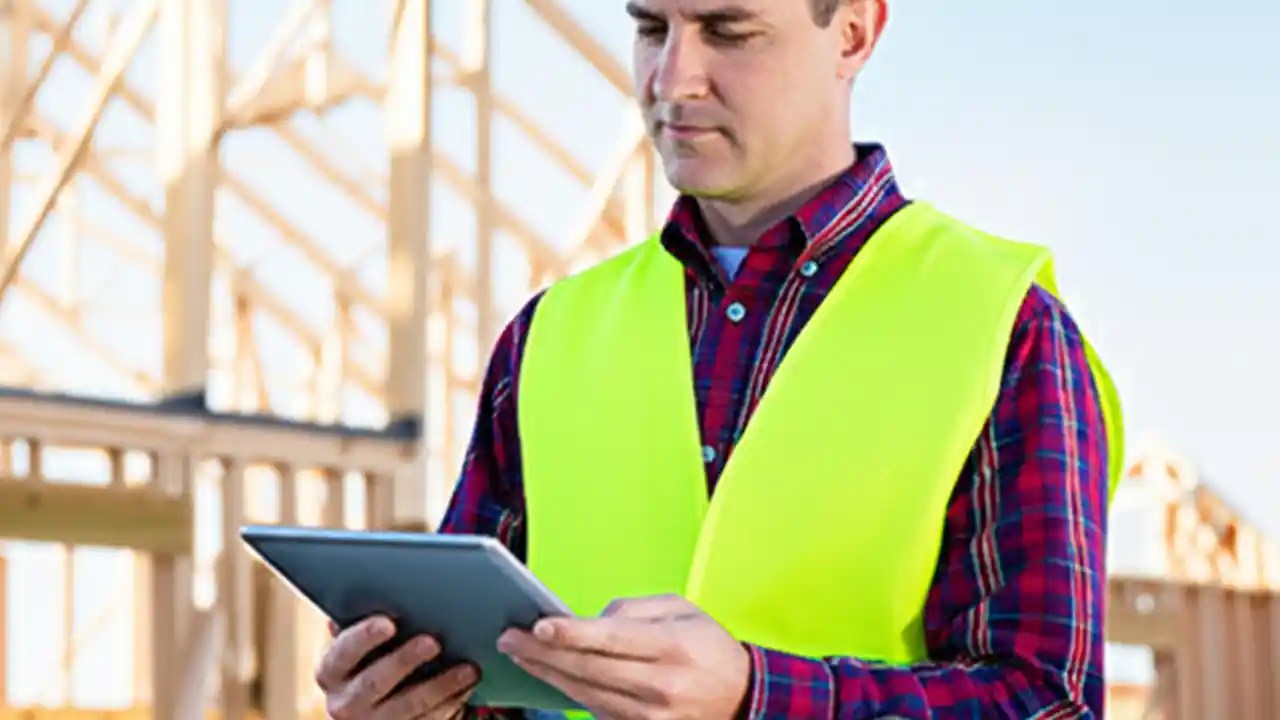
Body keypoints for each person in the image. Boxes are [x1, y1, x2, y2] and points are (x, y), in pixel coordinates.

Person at [313, 0, 1125, 717]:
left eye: (729, 31)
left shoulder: (1005, 329)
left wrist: (750, 696)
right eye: (651, 28)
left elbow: (1045, 703)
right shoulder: (548, 335)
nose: (673, 79)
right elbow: (492, 684)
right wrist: (413, 703)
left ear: (853, 33)